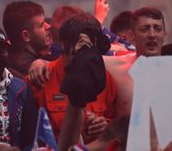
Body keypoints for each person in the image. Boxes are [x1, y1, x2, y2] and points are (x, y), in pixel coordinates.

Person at [29, 13, 117, 141]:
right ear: (64, 45)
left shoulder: (106, 80)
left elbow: (113, 122)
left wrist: (105, 127)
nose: (85, 55)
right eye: (80, 48)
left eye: (90, 49)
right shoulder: (41, 78)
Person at [2, 1, 52, 78]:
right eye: (41, 25)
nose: (48, 26)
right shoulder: (36, 73)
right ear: (26, 36)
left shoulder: (8, 63)